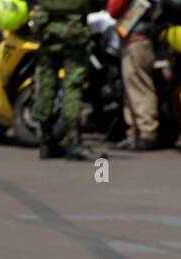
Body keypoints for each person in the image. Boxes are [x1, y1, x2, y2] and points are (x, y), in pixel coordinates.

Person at [36, 0, 101, 159]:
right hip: (74, 34)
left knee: (47, 85)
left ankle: (46, 141)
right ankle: (74, 143)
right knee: (72, 87)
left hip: (47, 32)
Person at [109, 0, 161, 150]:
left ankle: (146, 132)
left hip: (137, 40)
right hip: (137, 39)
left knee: (139, 87)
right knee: (131, 89)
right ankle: (134, 133)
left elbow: (114, 8)